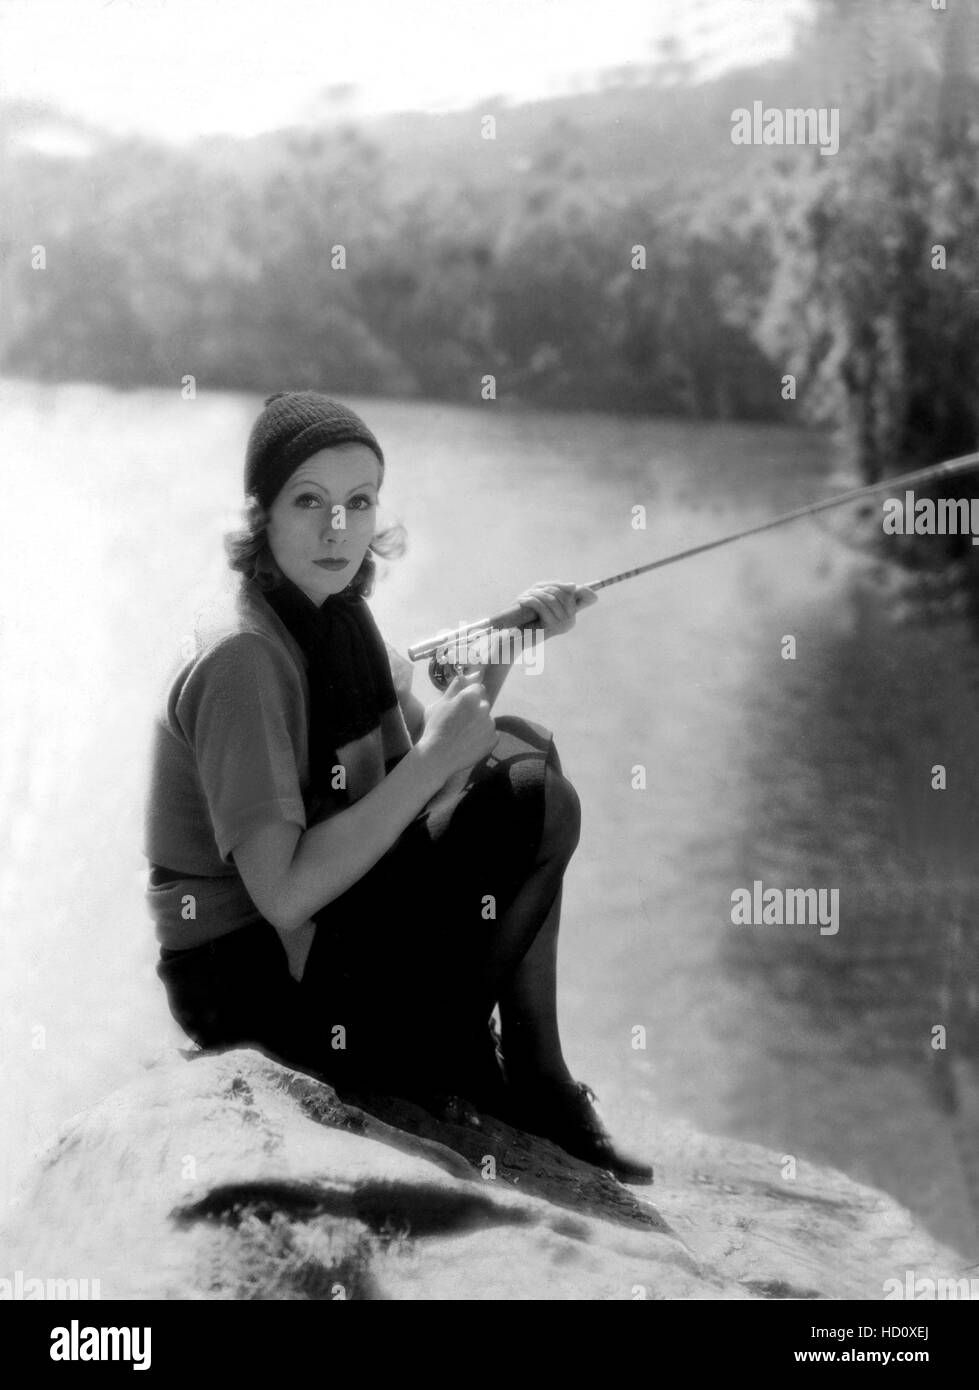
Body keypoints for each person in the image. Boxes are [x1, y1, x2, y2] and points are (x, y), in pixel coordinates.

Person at [142, 390, 652, 1184]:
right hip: (250, 987)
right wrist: (431, 761)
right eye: (308, 501)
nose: (338, 527)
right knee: (529, 797)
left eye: (359, 501)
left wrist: (507, 643)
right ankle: (459, 1063)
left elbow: (440, 765)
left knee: (524, 755)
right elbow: (282, 892)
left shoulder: (336, 615)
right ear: (259, 514)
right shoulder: (242, 656)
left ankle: (534, 1079)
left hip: (310, 937)